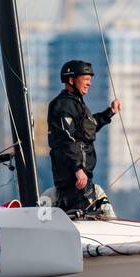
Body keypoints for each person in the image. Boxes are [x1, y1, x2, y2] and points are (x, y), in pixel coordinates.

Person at [47, 59, 121, 216]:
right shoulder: (62, 105)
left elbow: (88, 127)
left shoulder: (76, 104)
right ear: (71, 79)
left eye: (90, 80)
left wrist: (110, 112)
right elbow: (66, 139)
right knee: (85, 217)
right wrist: (77, 168)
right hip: (74, 181)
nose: (89, 83)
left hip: (82, 180)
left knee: (99, 206)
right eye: (86, 79)